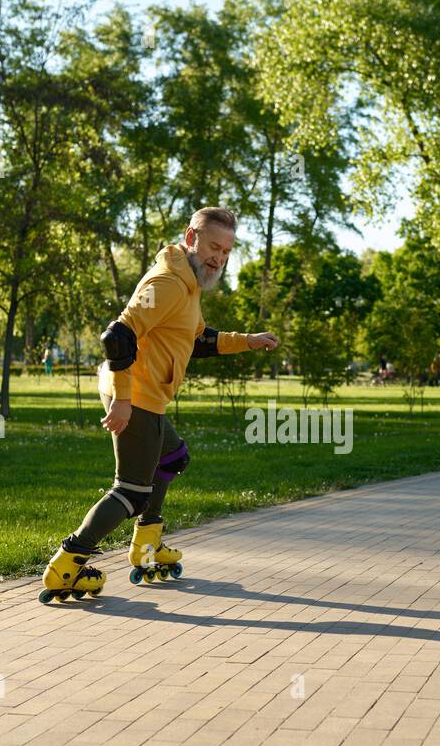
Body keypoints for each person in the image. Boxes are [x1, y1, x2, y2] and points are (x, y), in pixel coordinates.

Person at [40, 207, 279, 601]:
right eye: (214, 247)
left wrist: (247, 339)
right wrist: (122, 400)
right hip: (136, 395)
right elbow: (117, 336)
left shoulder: (190, 284)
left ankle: (147, 548)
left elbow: (199, 340)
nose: (219, 257)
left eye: (227, 251)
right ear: (191, 238)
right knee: (132, 490)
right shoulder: (169, 281)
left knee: (172, 458)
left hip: (142, 395)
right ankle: (67, 565)